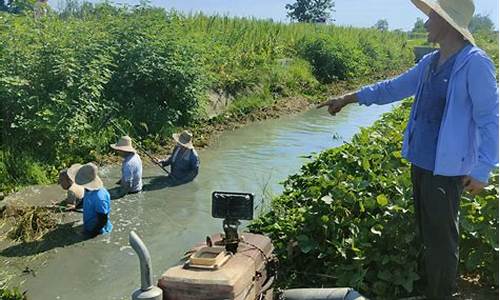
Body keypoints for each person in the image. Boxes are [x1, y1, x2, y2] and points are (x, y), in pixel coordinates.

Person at [317, 0, 498, 298]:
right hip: (422, 162)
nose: (426, 24)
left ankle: (443, 294)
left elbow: (490, 119)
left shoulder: (474, 63)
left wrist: (483, 169)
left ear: (449, 25)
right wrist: (350, 97)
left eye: (431, 18)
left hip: (447, 168)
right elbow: (393, 88)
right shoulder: (430, 62)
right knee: (428, 235)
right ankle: (434, 291)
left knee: (442, 239)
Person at [67, 163, 113, 237]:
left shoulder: (100, 198)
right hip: (90, 223)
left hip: (100, 230)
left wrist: (92, 233)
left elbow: (102, 220)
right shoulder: (88, 189)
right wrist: (76, 207)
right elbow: (85, 199)